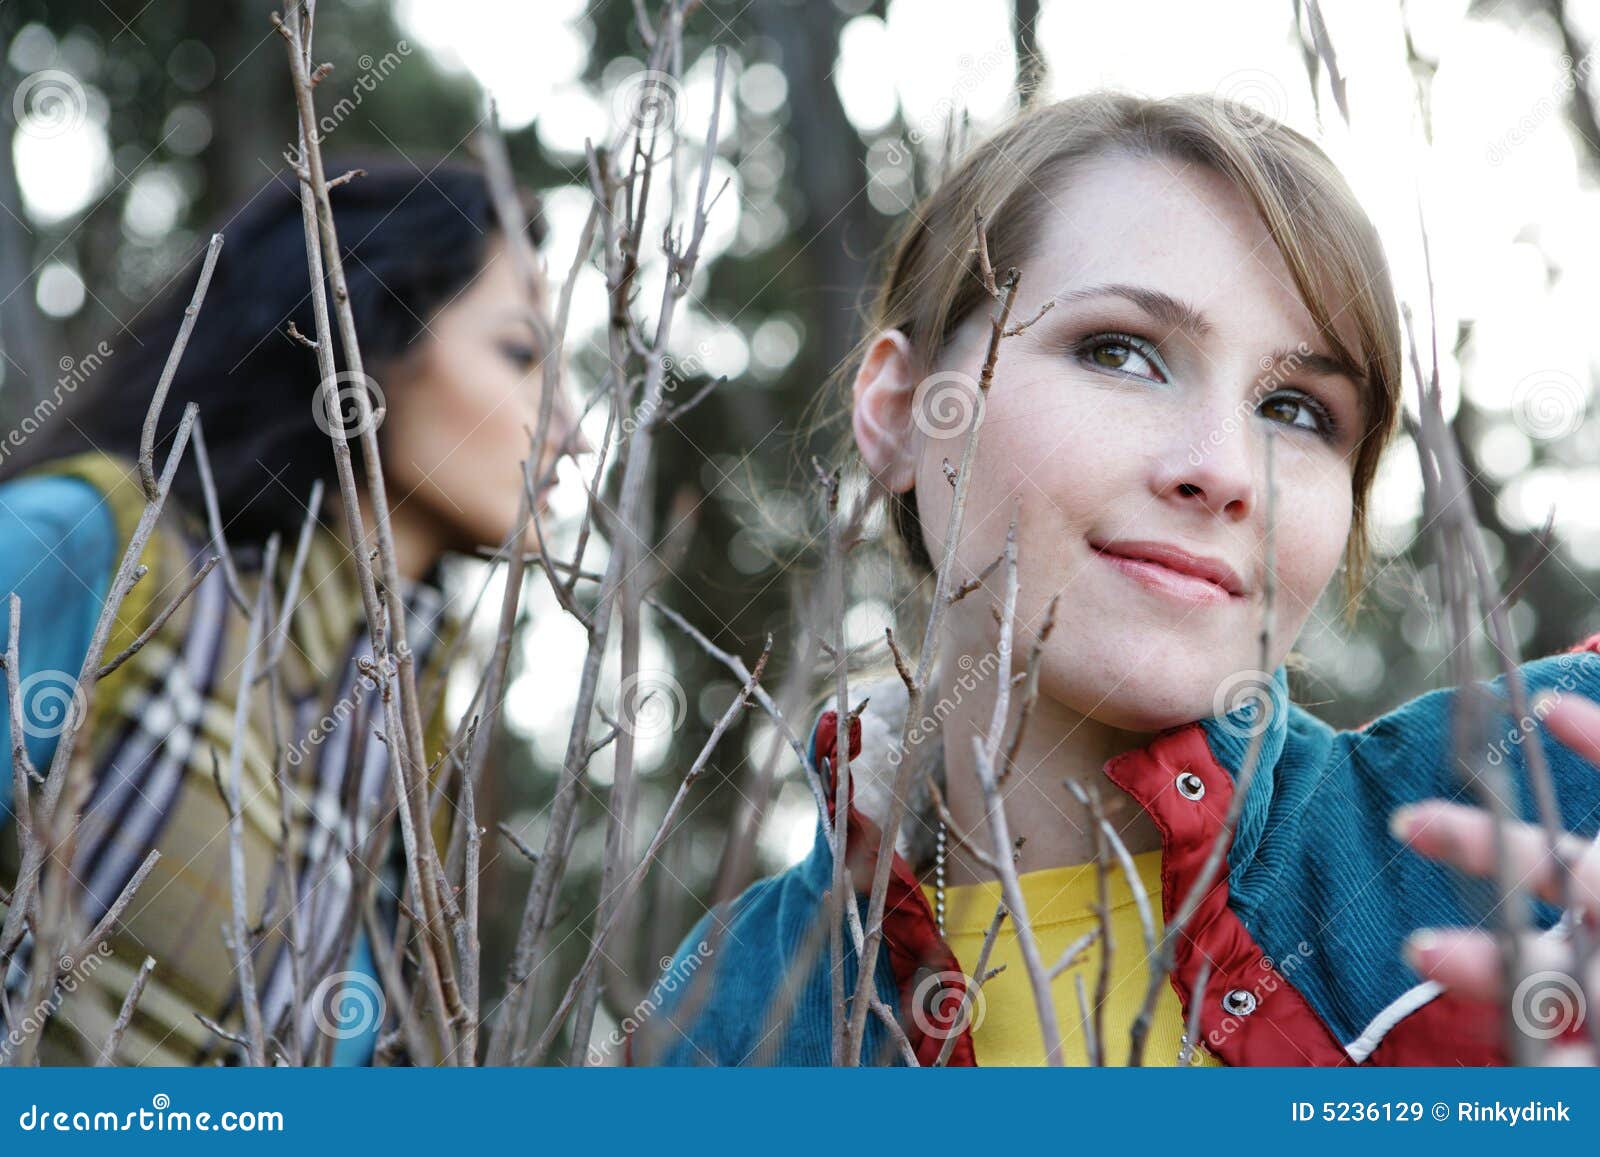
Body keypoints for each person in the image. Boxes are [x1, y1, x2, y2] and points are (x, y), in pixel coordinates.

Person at [632, 90, 1600, 1067]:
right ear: (899, 410)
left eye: (1296, 410)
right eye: (1120, 353)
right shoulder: (716, 1022)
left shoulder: (1551, 791)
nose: (1221, 467)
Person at [0, 159, 585, 1065]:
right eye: (519, 354)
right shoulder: (87, 548)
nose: (572, 429)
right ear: (361, 336)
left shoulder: (407, 746)